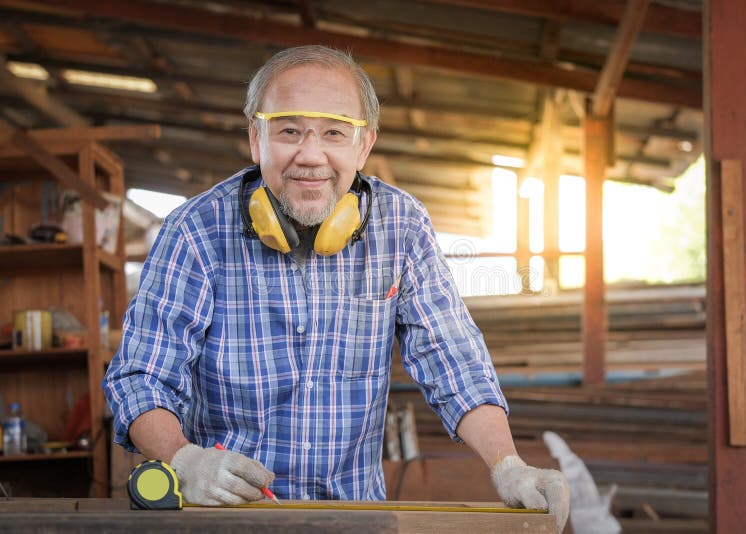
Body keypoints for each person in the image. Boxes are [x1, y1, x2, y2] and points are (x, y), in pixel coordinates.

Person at [103, 45, 569, 531]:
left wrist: (508, 465)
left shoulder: (401, 227)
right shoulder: (195, 231)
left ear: (363, 146)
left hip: (355, 518)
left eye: (333, 133)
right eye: (288, 131)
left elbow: (452, 357)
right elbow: (141, 376)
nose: (310, 155)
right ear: (255, 138)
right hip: (226, 520)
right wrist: (184, 459)